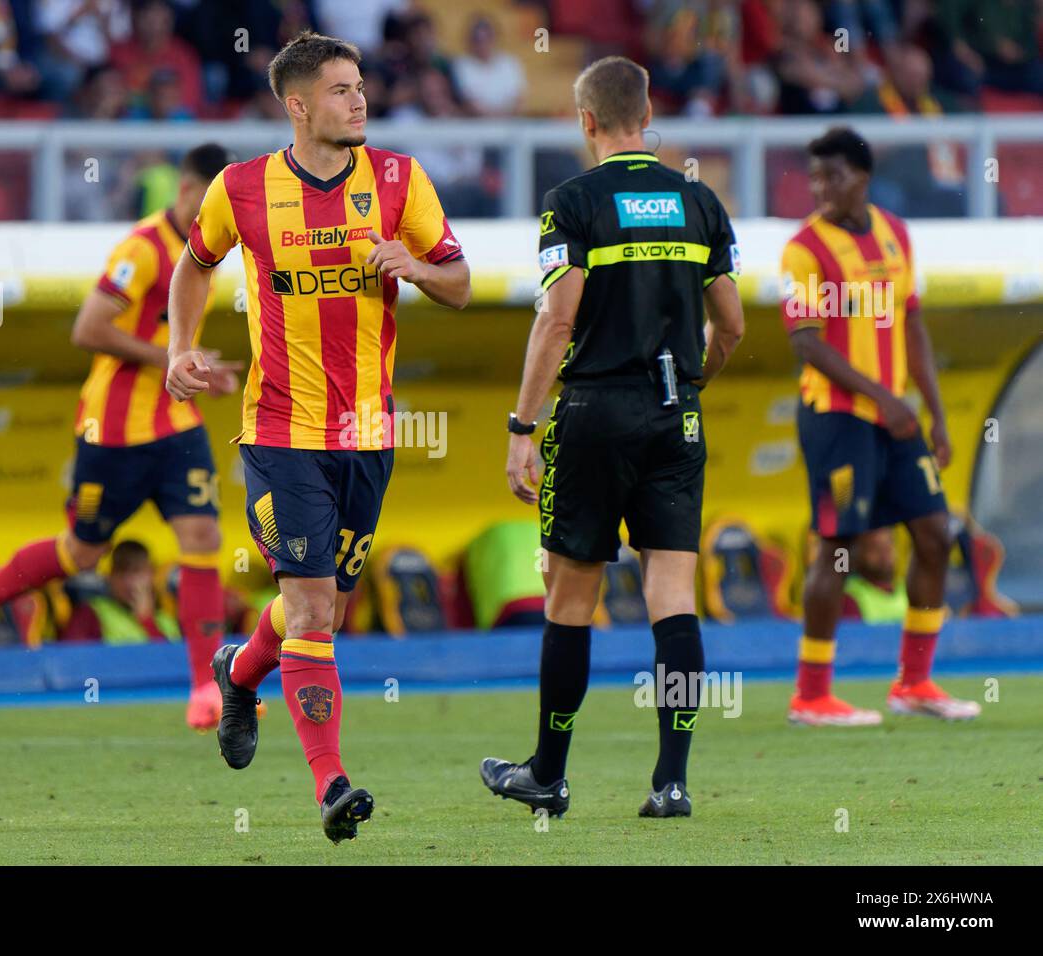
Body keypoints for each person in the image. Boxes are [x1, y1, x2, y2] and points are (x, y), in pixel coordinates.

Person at [165, 31, 470, 843]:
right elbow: (194, 263)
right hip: (279, 429)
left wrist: (415, 267)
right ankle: (330, 783)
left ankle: (238, 667)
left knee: (322, 609)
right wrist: (180, 348)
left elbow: (461, 283)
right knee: (309, 607)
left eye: (361, 84)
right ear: (297, 105)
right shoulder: (241, 188)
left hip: (368, 435)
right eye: (341, 89)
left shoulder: (402, 179)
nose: (360, 99)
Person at [478, 55, 745, 820]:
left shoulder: (574, 201)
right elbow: (731, 325)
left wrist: (522, 426)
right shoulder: (699, 203)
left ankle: (549, 775)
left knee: (572, 596)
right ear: (648, 112)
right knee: (673, 593)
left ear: (586, 121)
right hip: (675, 415)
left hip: (594, 411)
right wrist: (690, 386)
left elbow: (557, 319)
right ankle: (671, 782)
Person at [0, 143, 241, 733]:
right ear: (183, 192)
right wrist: (172, 357)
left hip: (176, 423)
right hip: (115, 431)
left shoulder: (208, 252)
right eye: (206, 204)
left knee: (202, 535)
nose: (214, 220)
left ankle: (206, 686)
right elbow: (88, 328)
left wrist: (201, 371)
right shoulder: (142, 249)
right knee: (82, 552)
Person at [780, 126, 980, 725]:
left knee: (935, 534)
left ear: (862, 179)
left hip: (896, 419)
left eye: (832, 177)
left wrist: (935, 415)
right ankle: (811, 695)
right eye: (814, 177)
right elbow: (806, 343)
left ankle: (914, 683)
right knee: (839, 551)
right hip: (837, 418)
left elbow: (912, 326)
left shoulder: (896, 234)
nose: (820, 189)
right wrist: (882, 399)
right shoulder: (804, 249)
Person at [60, 540, 178, 642]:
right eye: (121, 573)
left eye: (137, 571)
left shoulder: (167, 621)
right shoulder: (91, 613)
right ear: (109, 577)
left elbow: (171, 662)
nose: (129, 582)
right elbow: (73, 660)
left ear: (152, 574)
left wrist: (147, 621)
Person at [840, 529, 908, 624]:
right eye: (874, 547)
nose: (884, 554)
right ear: (857, 554)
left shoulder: (909, 590)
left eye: (888, 545)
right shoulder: (851, 597)